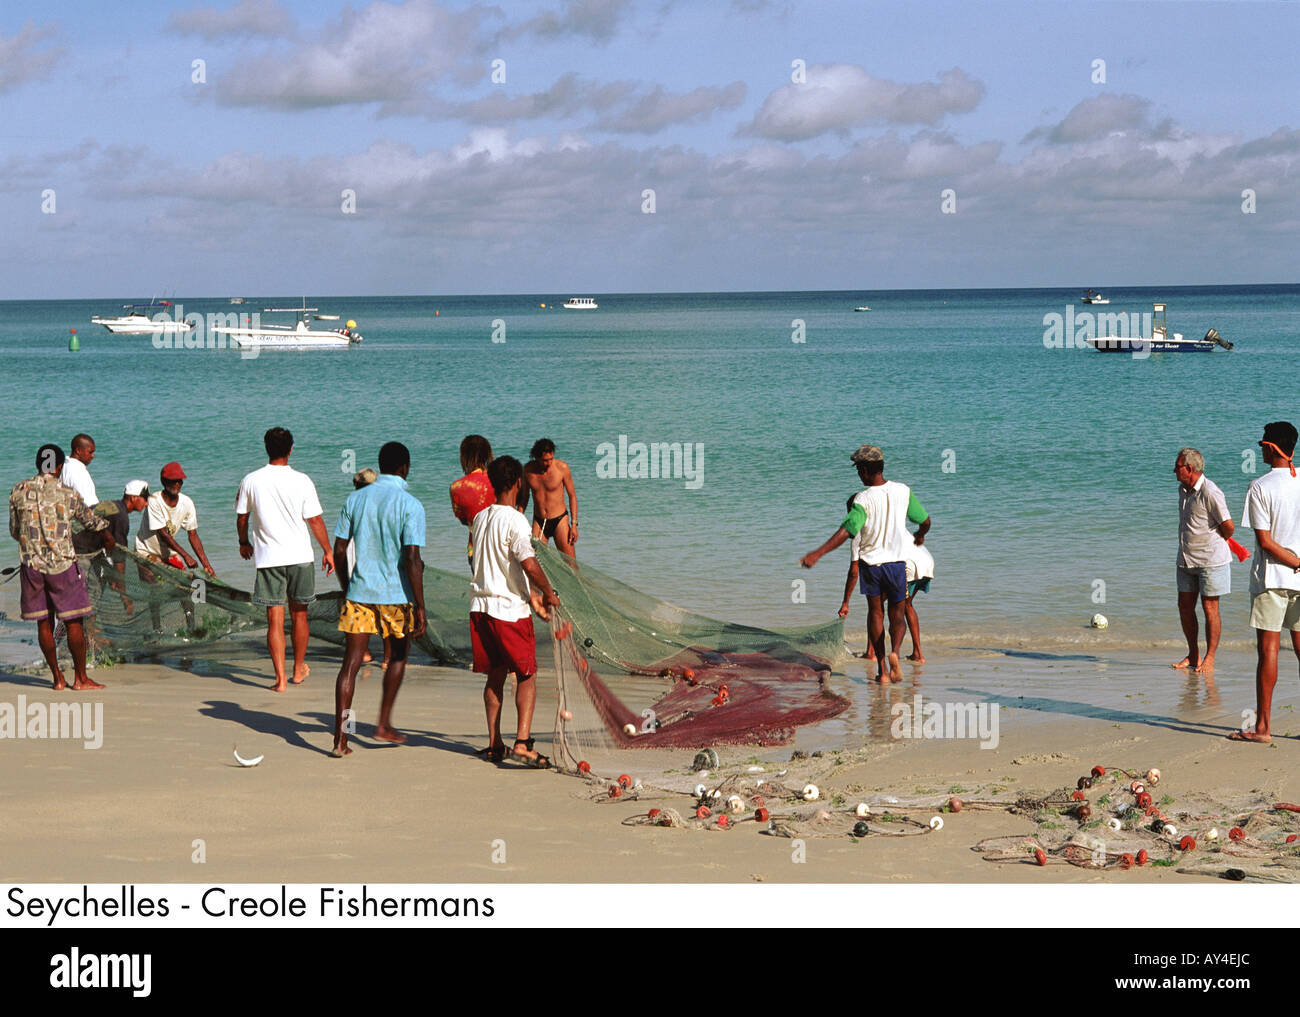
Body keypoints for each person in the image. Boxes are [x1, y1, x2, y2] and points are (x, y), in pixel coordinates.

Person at [330, 442, 427, 757]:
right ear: (404, 468)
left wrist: (347, 586)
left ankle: (341, 741)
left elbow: (340, 550)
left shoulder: (355, 498)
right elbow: (412, 558)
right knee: (397, 656)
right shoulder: (410, 504)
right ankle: (383, 724)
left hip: (359, 593)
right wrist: (420, 605)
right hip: (395, 596)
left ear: (381, 466)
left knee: (351, 665)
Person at [802, 444, 930, 682]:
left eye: (858, 469)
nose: (858, 474)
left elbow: (846, 531)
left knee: (876, 614)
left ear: (864, 470)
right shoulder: (903, 491)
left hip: (872, 567)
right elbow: (925, 520)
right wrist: (920, 535)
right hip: (896, 565)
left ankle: (881, 670)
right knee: (898, 615)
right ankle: (895, 652)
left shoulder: (863, 499)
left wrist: (817, 553)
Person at [470, 455, 561, 765]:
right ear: (518, 483)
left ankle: (495, 743)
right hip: (509, 611)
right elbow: (528, 561)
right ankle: (522, 742)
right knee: (526, 675)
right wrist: (548, 592)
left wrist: (532, 594)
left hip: (480, 608)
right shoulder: (515, 520)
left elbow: (483, 561)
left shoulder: (481, 518)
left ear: (494, 484)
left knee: (495, 675)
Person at [235, 427, 335, 693]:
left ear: (266, 448)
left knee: (274, 619)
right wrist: (327, 550)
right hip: (300, 557)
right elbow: (314, 519)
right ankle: (298, 669)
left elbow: (242, 516)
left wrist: (244, 542)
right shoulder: (302, 480)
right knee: (300, 615)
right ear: (291, 449)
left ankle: (280, 679)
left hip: (269, 559)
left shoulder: (251, 480)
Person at [9, 444, 115, 690]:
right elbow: (90, 521)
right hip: (63, 565)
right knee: (74, 623)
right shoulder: (67, 493)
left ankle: (57, 678)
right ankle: (81, 679)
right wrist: (108, 532)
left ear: (39, 465)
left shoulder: (18, 490)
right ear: (58, 467)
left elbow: (15, 531)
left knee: (44, 623)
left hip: (31, 566)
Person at [1232, 422, 1300, 744]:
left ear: (1272, 448)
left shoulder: (1259, 487)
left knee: (1268, 650)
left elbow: (1265, 542)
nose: (1259, 449)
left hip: (1273, 577)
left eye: (1261, 445)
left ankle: (1262, 728)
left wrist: (1298, 562)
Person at [838, 493, 935, 663]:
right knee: (906, 605)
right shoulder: (885, 523)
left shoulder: (861, 534)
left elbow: (854, 572)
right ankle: (918, 654)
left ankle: (871, 652)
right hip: (925, 561)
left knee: (876, 607)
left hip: (908, 565)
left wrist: (845, 602)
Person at [1172, 447, 1234, 675]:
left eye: (1177, 466)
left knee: (1210, 609)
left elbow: (1229, 527)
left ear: (1189, 468)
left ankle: (1210, 658)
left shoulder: (1210, 491)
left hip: (1211, 561)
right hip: (1186, 560)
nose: (1173, 470)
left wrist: (1212, 542)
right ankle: (1193, 654)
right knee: (1184, 607)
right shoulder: (1183, 489)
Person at [136, 462, 215, 575]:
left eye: (179, 480)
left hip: (167, 553)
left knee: (183, 582)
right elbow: (163, 534)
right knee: (154, 582)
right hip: (145, 551)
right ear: (163, 482)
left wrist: (206, 565)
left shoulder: (187, 503)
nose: (177, 484)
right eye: (173, 481)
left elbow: (193, 535)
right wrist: (186, 556)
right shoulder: (154, 501)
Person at [524, 438, 578, 556]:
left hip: (560, 520)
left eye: (551, 459)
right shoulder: (528, 471)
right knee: (538, 563)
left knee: (571, 565)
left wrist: (573, 524)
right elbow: (524, 497)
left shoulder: (562, 468)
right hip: (539, 521)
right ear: (536, 457)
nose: (548, 463)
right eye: (544, 460)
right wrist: (518, 518)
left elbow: (572, 496)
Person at [449, 434, 494, 571]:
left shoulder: (456, 487)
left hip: (476, 547)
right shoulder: (499, 479)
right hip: (503, 544)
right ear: (488, 454)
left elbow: (463, 520)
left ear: (464, 457)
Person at [59, 434, 97, 506]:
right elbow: (88, 504)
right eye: (90, 452)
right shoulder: (77, 472)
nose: (92, 456)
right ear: (78, 451)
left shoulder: (65, 465)